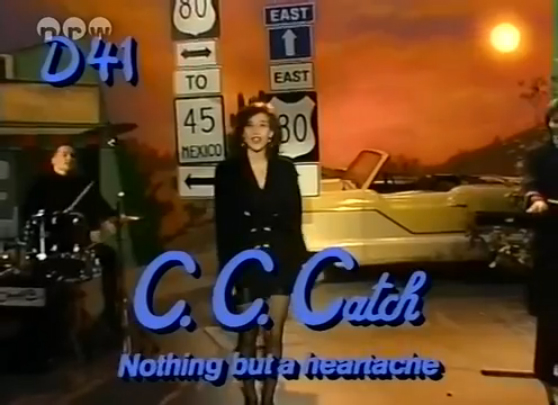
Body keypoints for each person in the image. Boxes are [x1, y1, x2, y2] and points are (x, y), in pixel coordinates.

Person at [214, 102, 307, 405]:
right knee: (247, 336)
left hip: (281, 259)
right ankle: (250, 399)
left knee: (273, 335)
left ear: (272, 134)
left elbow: (294, 220)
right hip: (244, 261)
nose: (256, 131)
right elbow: (223, 226)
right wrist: (227, 275)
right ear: (241, 134)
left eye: (263, 125)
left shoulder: (285, 169)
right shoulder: (227, 171)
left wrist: (299, 263)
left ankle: (268, 400)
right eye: (250, 125)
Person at [20, 145, 121, 337]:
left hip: (81, 245)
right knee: (37, 276)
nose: (69, 158)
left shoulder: (85, 185)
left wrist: (110, 223)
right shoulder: (40, 185)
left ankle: (110, 312)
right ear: (53, 159)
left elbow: (106, 212)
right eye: (64, 154)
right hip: (49, 247)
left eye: (72, 155)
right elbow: (28, 215)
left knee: (109, 256)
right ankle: (39, 326)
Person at [523, 99, 558, 405]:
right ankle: (545, 371)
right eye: (556, 120)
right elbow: (531, 184)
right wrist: (537, 200)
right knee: (550, 308)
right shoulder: (538, 156)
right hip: (550, 240)